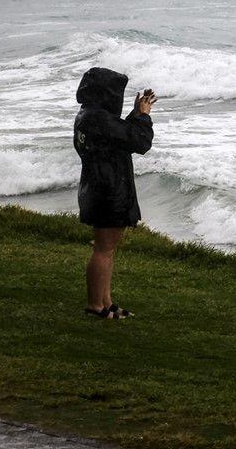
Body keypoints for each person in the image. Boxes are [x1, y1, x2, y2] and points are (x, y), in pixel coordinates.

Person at [73, 67, 155, 320]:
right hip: (108, 190)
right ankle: (96, 306)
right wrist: (142, 116)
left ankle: (105, 302)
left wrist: (134, 113)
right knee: (103, 249)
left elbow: (121, 137)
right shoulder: (98, 118)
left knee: (106, 249)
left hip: (99, 187)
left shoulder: (89, 115)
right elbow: (140, 142)